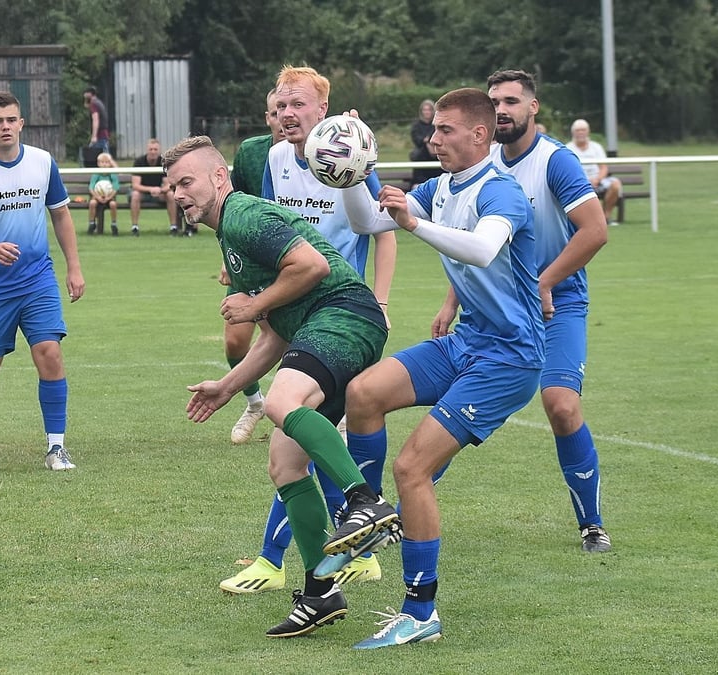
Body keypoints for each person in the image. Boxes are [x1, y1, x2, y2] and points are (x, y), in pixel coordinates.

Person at [163, 135, 399, 638]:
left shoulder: (243, 214)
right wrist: (227, 386)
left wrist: (251, 303)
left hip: (344, 314)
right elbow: (274, 336)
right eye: (172, 186)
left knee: (283, 401)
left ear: (219, 177)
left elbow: (310, 267)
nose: (178, 193)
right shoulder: (230, 233)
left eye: (186, 181)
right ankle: (320, 592)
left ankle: (365, 501)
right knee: (285, 461)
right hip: (321, 326)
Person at [339, 88, 542, 649]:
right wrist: (355, 164)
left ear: (479, 134)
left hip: (508, 359)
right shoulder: (440, 187)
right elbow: (366, 224)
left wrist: (414, 225)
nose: (434, 139)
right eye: (434, 130)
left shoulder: (503, 192)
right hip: (466, 342)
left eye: (445, 131)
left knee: (413, 469)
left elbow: (481, 250)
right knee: (363, 393)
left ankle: (421, 612)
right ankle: (371, 515)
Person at [220, 66, 397, 596]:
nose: (285, 115)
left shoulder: (348, 154)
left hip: (341, 317)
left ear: (325, 110)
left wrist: (382, 301)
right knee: (299, 439)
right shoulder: (272, 158)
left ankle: (298, 559)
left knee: (297, 432)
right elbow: (277, 232)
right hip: (301, 314)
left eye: (297, 104)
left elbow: (381, 231)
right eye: (278, 106)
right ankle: (344, 555)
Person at [484, 70, 611, 552]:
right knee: (452, 401)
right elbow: (478, 240)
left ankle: (591, 524)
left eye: (512, 100)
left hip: (559, 303)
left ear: (533, 107)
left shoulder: (555, 161)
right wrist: (452, 300)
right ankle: (401, 510)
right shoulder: (487, 162)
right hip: (497, 306)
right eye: (495, 100)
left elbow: (595, 230)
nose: (502, 109)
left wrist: (544, 281)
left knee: (560, 403)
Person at [0, 90, 85, 471]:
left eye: (11, 119)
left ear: (21, 122)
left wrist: (73, 267)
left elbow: (60, 215)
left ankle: (56, 447)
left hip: (37, 279)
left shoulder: (43, 162)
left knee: (50, 354)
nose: (5, 127)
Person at [219, 88, 284, 450]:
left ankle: (330, 414)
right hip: (250, 261)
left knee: (289, 337)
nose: (281, 118)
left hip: (292, 260)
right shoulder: (250, 152)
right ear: (267, 117)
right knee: (234, 340)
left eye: (288, 109)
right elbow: (231, 205)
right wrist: (228, 260)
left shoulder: (317, 153)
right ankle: (254, 403)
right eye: (275, 111)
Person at [566, 119, 623, 224]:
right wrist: (585, 181)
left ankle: (606, 217)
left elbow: (603, 167)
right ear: (573, 132)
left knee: (615, 184)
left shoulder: (596, 147)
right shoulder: (567, 148)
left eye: (583, 130)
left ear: (588, 131)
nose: (581, 133)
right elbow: (567, 170)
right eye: (578, 130)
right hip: (578, 182)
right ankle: (581, 221)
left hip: (598, 180)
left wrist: (597, 179)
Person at [128, 138, 180, 236]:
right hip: (142, 193)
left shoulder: (163, 162)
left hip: (159, 193)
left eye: (155, 149)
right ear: (147, 150)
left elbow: (168, 184)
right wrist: (150, 189)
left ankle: (173, 227)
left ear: (159, 150)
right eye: (151, 149)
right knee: (135, 195)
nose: (153, 152)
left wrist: (160, 190)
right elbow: (135, 185)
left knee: (170, 194)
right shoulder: (139, 162)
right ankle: (135, 227)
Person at [409, 99, 443, 186]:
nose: (427, 112)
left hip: (436, 159)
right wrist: (425, 142)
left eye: (429, 110)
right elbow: (417, 139)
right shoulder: (416, 126)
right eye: (425, 110)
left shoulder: (437, 125)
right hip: (422, 156)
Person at [87, 151, 120, 235]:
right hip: (97, 196)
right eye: (102, 162)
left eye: (107, 162)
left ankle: (114, 224)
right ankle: (92, 223)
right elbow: (91, 187)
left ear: (110, 163)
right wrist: (97, 197)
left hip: (109, 197)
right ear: (98, 163)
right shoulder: (96, 174)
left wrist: (109, 197)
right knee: (92, 203)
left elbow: (115, 188)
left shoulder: (112, 174)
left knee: (113, 204)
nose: (104, 164)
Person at [83, 86, 111, 161]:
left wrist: (94, 136)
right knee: (106, 155)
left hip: (100, 134)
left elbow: (96, 119)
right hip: (104, 133)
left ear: (89, 94)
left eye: (85, 93)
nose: (84, 95)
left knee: (102, 158)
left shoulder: (94, 104)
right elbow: (86, 105)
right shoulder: (98, 102)